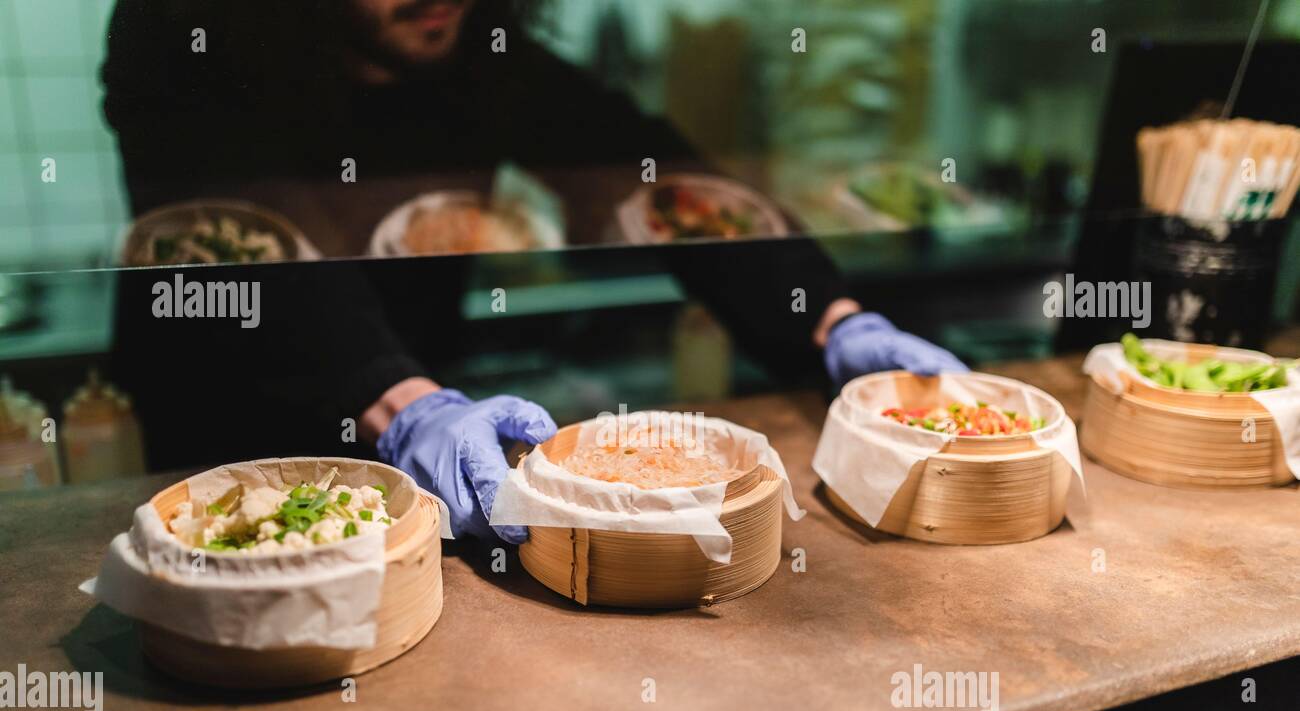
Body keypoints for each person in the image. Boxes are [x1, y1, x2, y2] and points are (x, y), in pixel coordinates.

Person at [102, 0, 965, 543]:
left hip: (414, 427)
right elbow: (243, 241)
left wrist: (828, 313)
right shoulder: (180, 32)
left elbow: (643, 173)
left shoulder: (473, 44)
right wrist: (405, 401)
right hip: (224, 432)